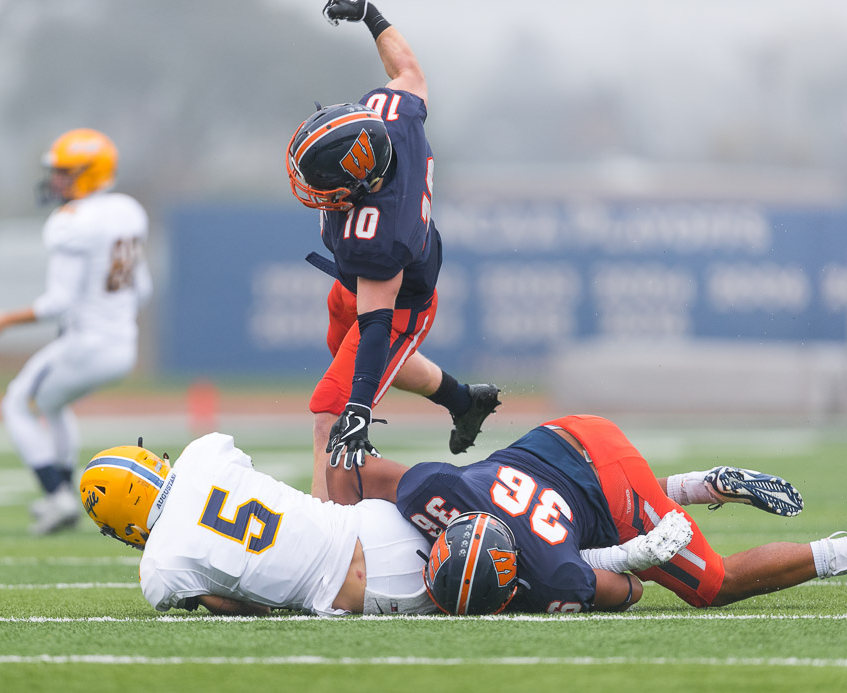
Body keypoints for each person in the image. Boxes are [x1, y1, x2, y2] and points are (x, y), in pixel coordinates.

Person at [80, 431, 689, 617]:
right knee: (506, 542)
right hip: (371, 527)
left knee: (517, 592)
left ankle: (627, 569)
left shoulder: (161, 568)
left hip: (362, 594)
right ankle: (638, 530)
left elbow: (229, 603)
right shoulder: (203, 454)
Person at [286, 1, 501, 500]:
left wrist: (359, 408)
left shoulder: (379, 237)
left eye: (324, 186)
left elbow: (378, 325)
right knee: (359, 356)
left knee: (330, 409)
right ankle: (463, 400)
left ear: (360, 182)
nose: (314, 192)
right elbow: (407, 69)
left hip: (398, 304)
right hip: (353, 288)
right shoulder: (394, 115)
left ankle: (324, 540)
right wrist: (370, 15)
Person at [327, 414, 844, 613]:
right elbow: (354, 471)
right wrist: (343, 515)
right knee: (589, 517)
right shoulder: (439, 490)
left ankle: (837, 552)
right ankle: (697, 485)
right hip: (562, 434)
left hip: (610, 485)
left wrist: (625, 557)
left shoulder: (552, 573)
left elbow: (633, 589)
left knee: (716, 585)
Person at [0, 128, 152, 535]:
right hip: (122, 345)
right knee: (51, 404)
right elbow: (142, 289)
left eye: (65, 172)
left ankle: (57, 496)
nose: (56, 180)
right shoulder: (128, 210)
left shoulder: (72, 221)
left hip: (87, 343)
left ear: (89, 173)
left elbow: (58, 303)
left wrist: (1, 320)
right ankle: (63, 496)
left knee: (17, 402)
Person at [79, 433, 437, 616]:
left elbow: (247, 608)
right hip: (379, 519)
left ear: (121, 526)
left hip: (372, 591)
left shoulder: (160, 568)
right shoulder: (206, 450)